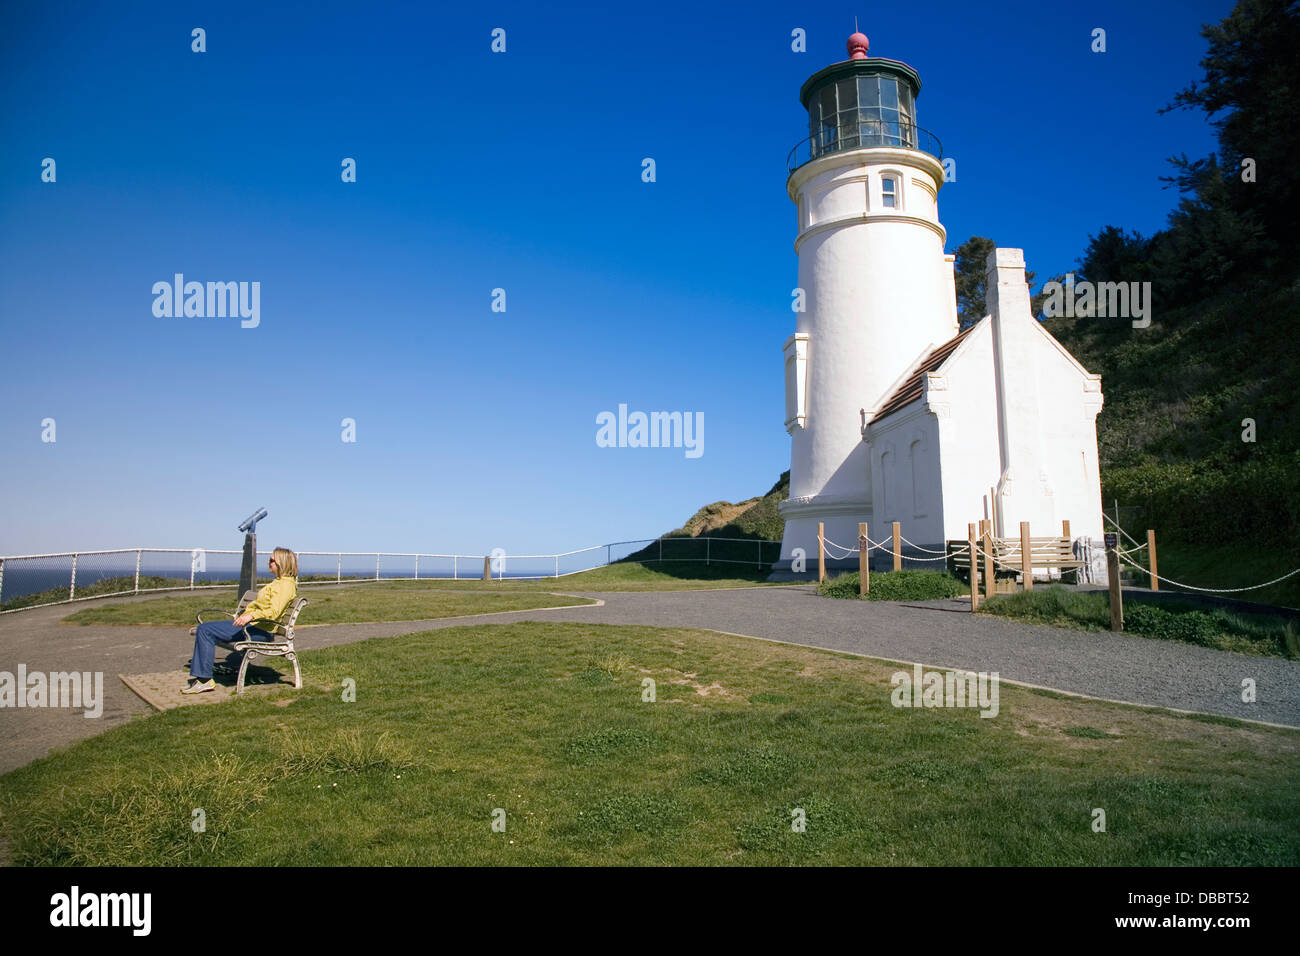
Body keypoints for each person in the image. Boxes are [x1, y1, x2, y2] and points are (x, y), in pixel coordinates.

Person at [183, 547, 299, 694]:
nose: (268, 562)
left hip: (259, 631)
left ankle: (204, 680)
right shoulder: (279, 582)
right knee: (205, 629)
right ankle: (202, 678)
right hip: (252, 626)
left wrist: (251, 615)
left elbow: (274, 612)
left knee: (205, 630)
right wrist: (248, 614)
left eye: (272, 560)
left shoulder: (285, 585)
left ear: (282, 562)